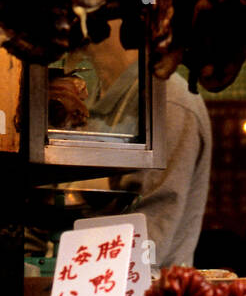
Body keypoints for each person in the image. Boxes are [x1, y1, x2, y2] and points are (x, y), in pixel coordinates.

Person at [73, 21, 213, 268]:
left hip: (146, 292)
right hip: (86, 279)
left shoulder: (169, 102)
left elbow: (152, 233)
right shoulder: (89, 98)